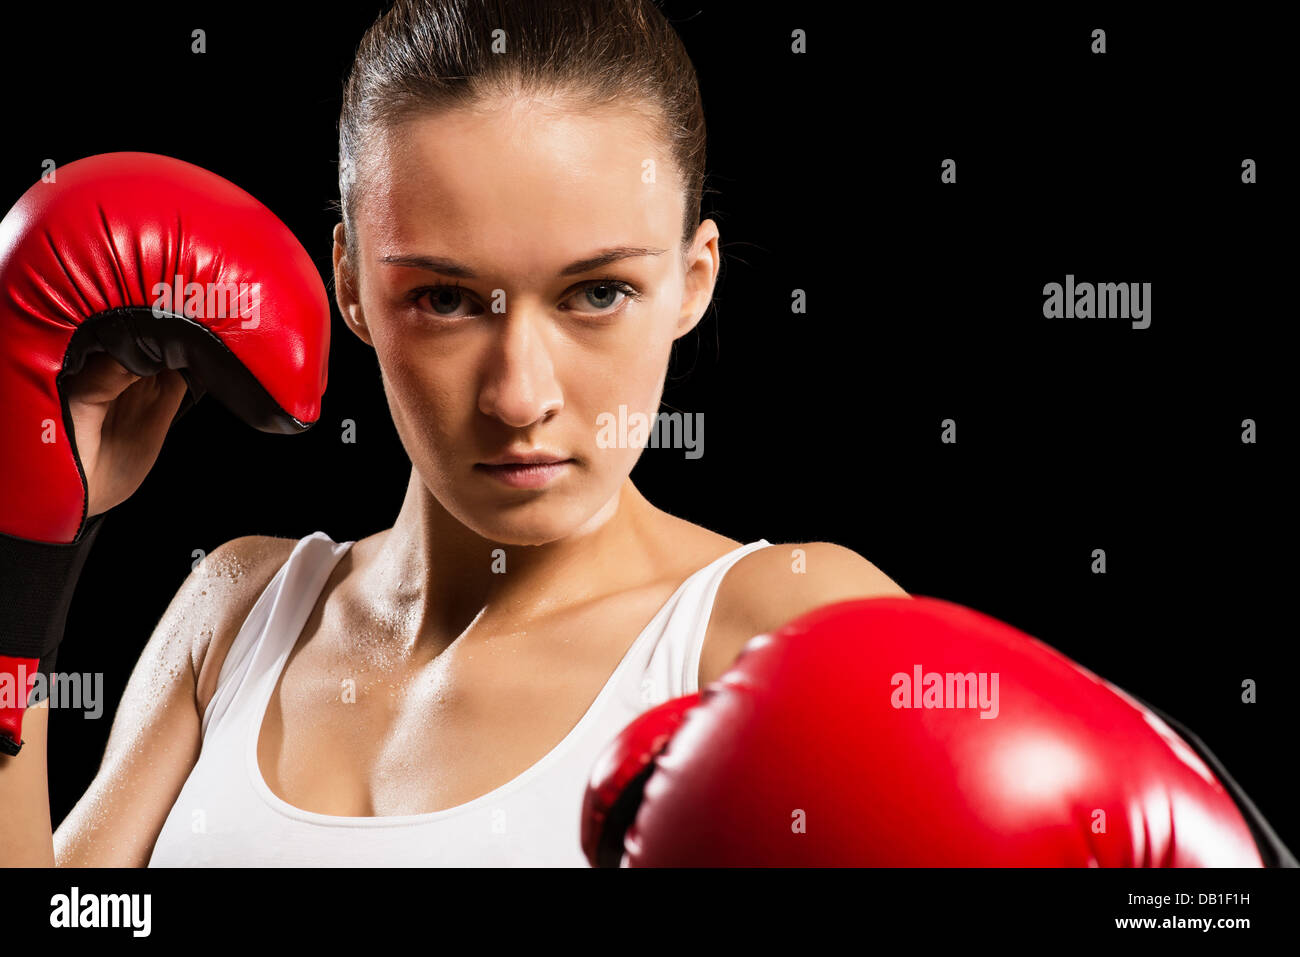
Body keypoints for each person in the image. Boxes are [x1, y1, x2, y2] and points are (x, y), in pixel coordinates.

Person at [1, 0, 904, 867]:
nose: (519, 397)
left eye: (597, 293)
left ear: (693, 280)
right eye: (444, 299)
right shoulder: (236, 609)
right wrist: (27, 533)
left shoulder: (784, 624)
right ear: (350, 284)